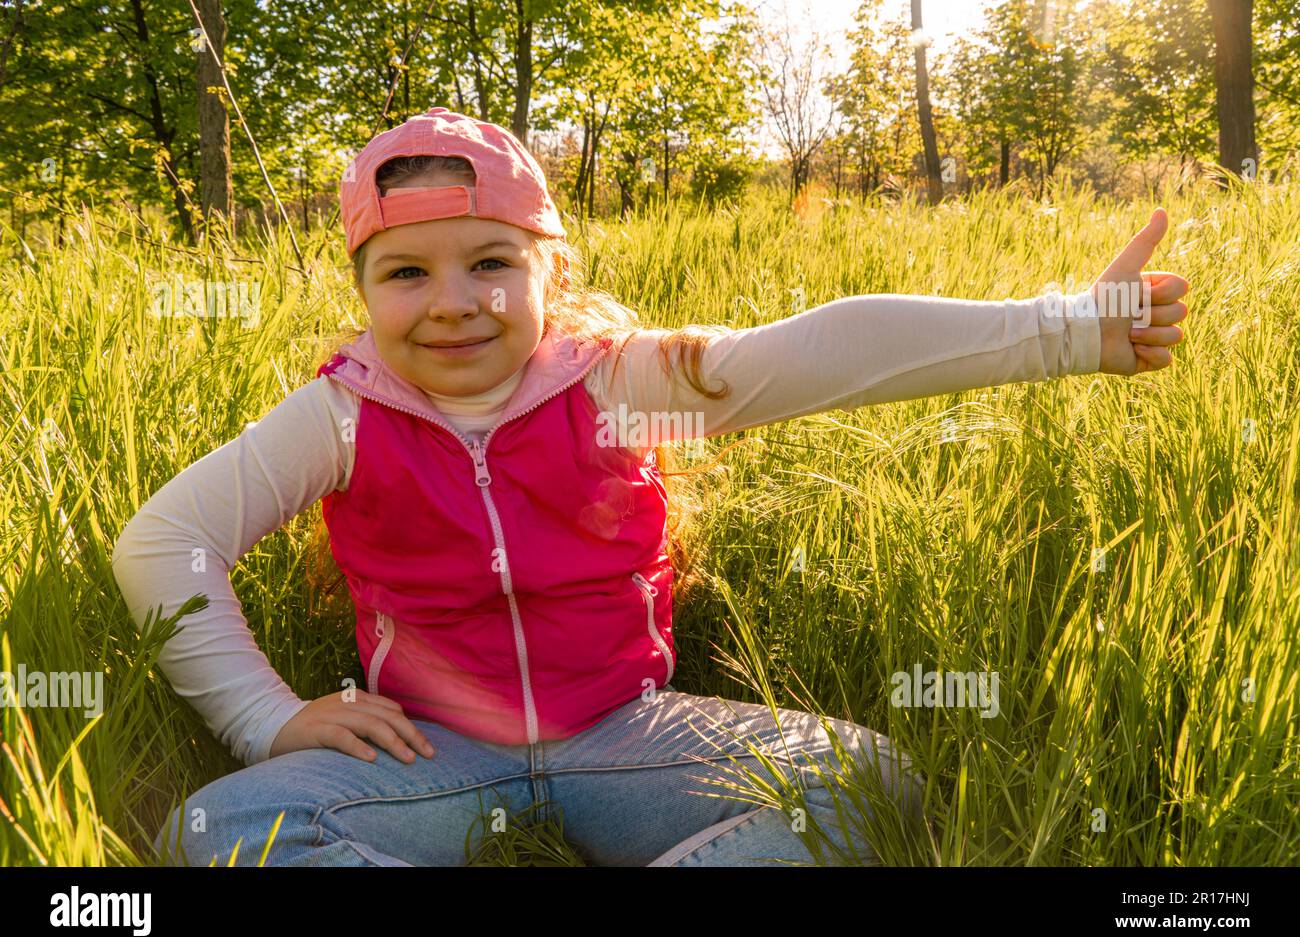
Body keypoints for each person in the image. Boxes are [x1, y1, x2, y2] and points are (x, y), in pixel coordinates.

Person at [112, 106, 1189, 867]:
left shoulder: (616, 387)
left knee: (873, 781)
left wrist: (1063, 328)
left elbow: (826, 349)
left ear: (551, 275)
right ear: (363, 291)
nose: (453, 302)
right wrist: (269, 720)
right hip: (431, 757)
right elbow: (165, 540)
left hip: (628, 738)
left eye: (492, 262)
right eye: (407, 272)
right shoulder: (344, 415)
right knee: (209, 831)